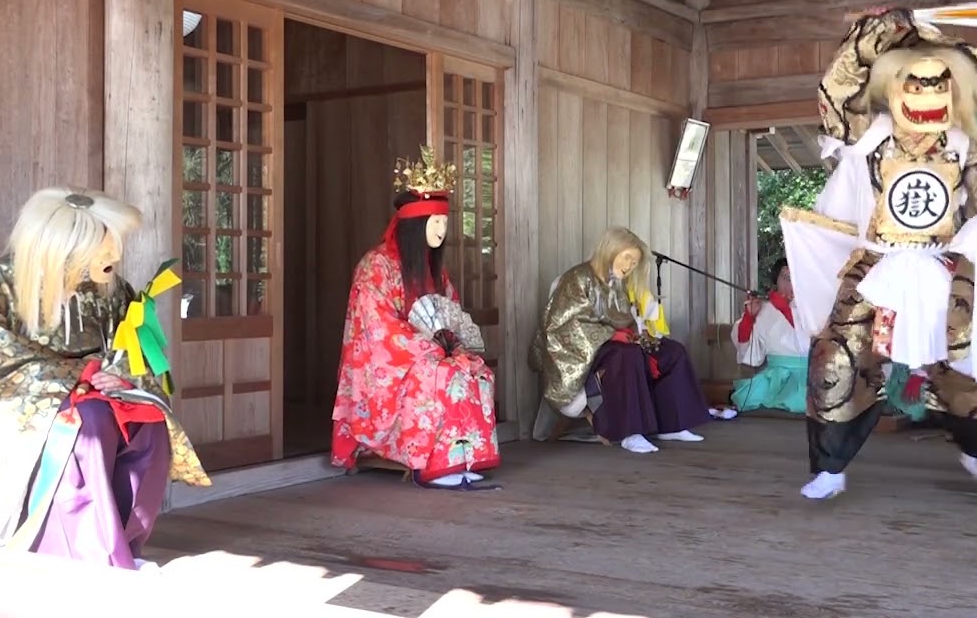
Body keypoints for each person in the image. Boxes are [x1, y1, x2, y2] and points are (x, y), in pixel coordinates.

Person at [779, 5, 977, 499]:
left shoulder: (967, 150)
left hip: (944, 270)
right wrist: (873, 30)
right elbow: (835, 93)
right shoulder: (869, 138)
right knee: (836, 361)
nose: (926, 94)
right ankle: (830, 468)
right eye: (914, 84)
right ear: (893, 88)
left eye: (937, 83)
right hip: (875, 266)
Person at [0, 187, 209, 570]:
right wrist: (76, 376)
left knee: (147, 423)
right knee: (90, 425)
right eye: (106, 243)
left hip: (94, 389)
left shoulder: (111, 289)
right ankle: (88, 554)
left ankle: (126, 544)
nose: (115, 253)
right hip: (12, 401)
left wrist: (121, 376)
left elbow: (132, 348)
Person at [331, 147, 501, 489]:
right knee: (438, 375)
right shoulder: (375, 266)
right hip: (388, 367)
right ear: (414, 225)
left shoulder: (432, 269)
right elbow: (377, 328)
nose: (441, 230)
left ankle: (462, 457)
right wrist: (427, 347)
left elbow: (449, 311)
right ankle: (433, 462)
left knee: (475, 371)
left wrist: (453, 345)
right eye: (433, 222)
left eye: (444, 222)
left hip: (426, 353)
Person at [530, 226, 711, 453]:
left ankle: (672, 424)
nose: (629, 266)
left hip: (617, 346)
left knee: (672, 352)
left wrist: (636, 335)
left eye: (634, 263)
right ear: (611, 250)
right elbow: (562, 326)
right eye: (627, 258)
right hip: (586, 353)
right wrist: (611, 335)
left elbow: (625, 320)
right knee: (628, 355)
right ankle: (629, 432)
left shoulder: (617, 284)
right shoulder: (577, 278)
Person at [730, 258, 811, 414]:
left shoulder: (813, 307)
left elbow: (810, 337)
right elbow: (749, 351)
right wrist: (749, 318)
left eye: (795, 277)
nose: (790, 284)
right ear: (776, 280)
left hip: (808, 376)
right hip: (774, 376)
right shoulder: (765, 308)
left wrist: (784, 309)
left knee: (800, 400)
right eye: (785, 278)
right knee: (746, 397)